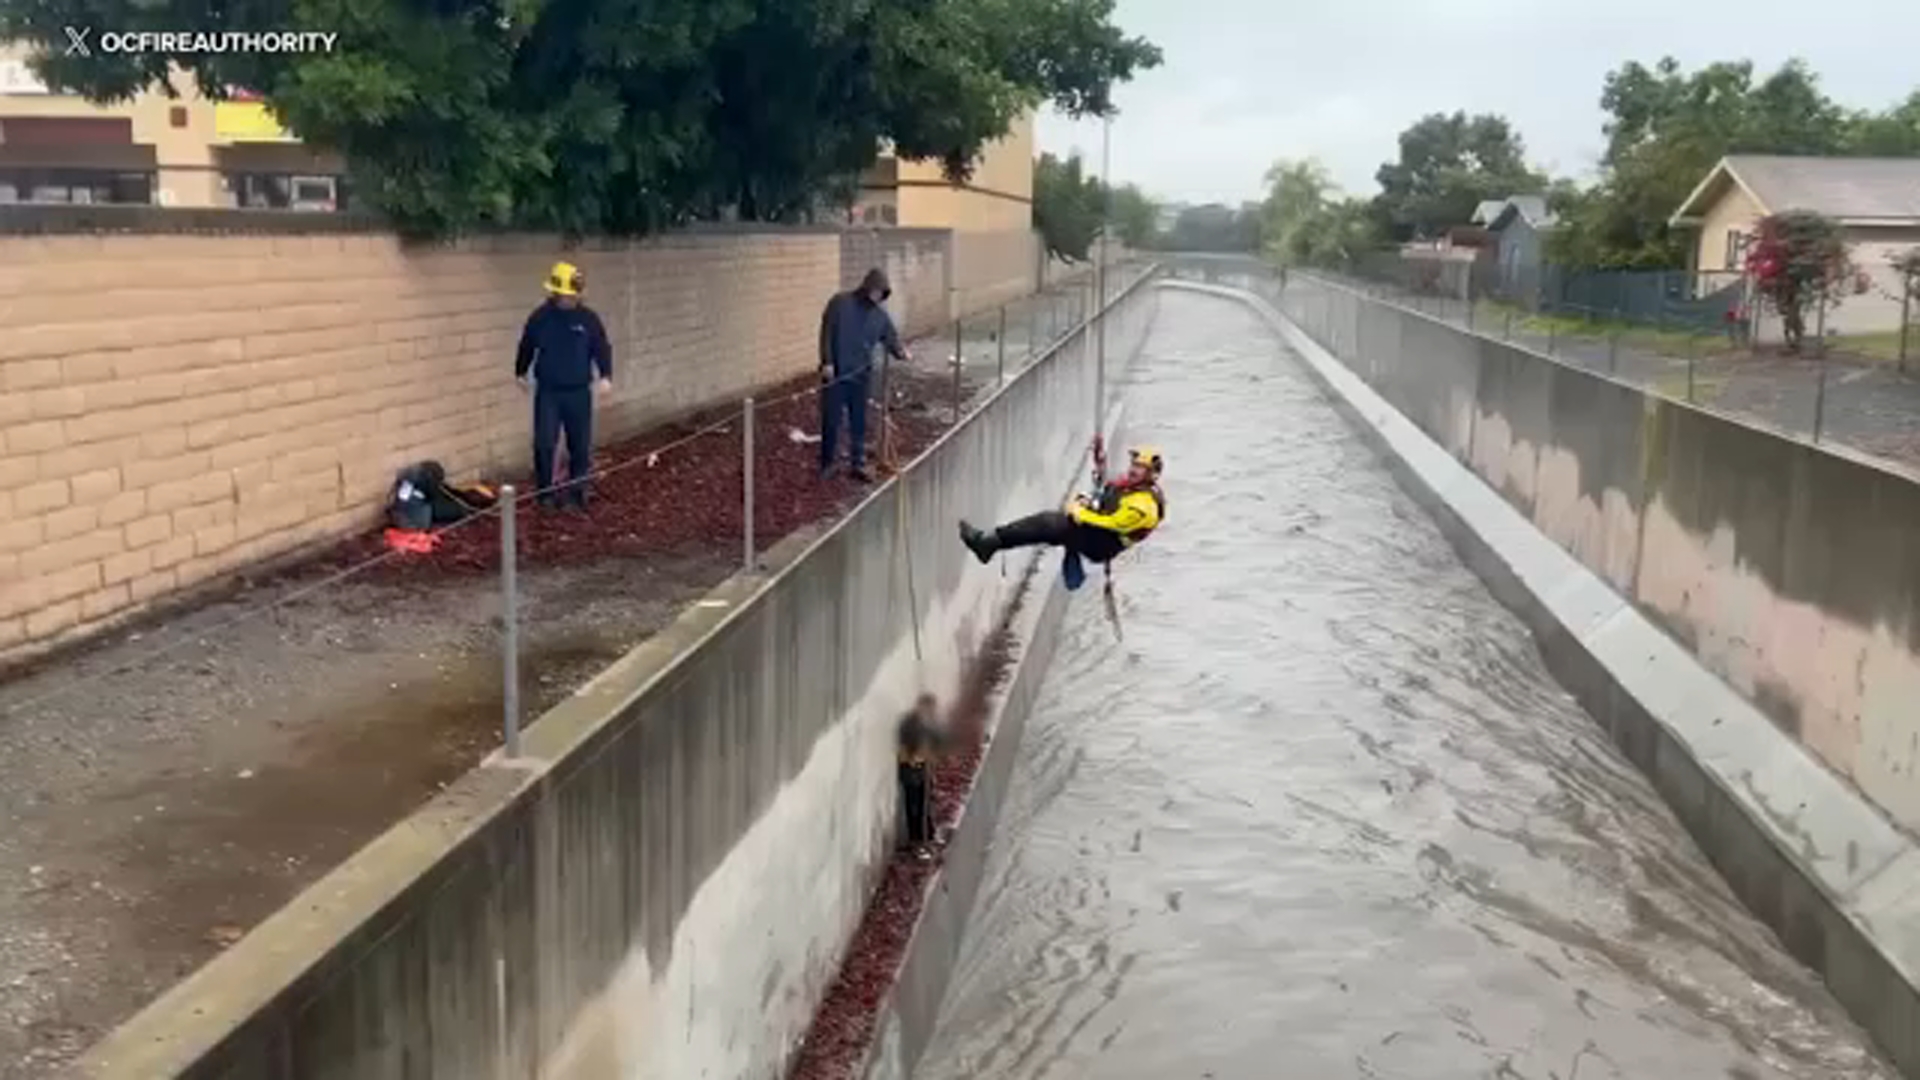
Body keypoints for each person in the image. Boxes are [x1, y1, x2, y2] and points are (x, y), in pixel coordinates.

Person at [959, 446, 1165, 566]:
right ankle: (990, 543)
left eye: (1141, 468)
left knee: (1049, 524)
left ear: (1151, 474)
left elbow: (1113, 523)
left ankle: (987, 544)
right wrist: (1093, 491)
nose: (1134, 470)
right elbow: (1110, 494)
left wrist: (1081, 514)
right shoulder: (1132, 488)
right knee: (1047, 526)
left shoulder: (1143, 506)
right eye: (1135, 465)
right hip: (1099, 535)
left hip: (1103, 544)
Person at [515, 261, 613, 511]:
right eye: (568, 295)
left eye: (575, 295)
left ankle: (577, 492)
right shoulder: (541, 318)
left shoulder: (588, 319)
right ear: (556, 292)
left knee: (579, 444)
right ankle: (545, 494)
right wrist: (520, 372)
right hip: (549, 391)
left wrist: (605, 375)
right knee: (545, 443)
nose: (572, 299)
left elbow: (601, 347)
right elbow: (526, 344)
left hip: (578, 391)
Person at [818, 268, 911, 483]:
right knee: (831, 420)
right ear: (866, 287)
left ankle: (857, 462)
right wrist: (827, 361)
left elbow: (891, 338)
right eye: (875, 291)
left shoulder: (879, 316)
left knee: (859, 420)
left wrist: (901, 352)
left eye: (882, 293)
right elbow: (827, 332)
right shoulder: (840, 303)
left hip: (861, 374)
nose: (877, 296)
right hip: (836, 374)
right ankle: (827, 463)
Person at [897, 693, 944, 861]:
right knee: (915, 808)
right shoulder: (909, 725)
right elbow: (903, 753)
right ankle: (917, 844)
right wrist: (915, 759)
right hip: (911, 772)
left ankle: (929, 837)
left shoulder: (927, 724)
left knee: (926, 804)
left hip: (923, 770)